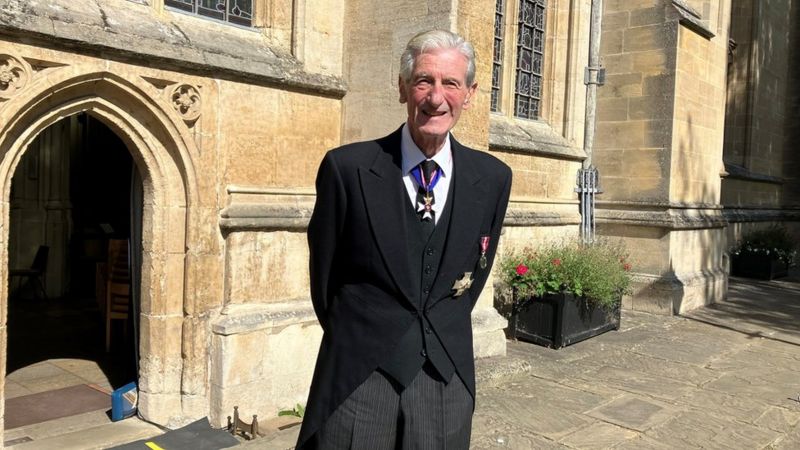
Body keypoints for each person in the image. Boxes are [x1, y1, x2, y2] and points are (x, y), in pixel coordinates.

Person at [296, 29, 512, 449]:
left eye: (450, 83)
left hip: (444, 378)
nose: (436, 97)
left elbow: (473, 277)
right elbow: (325, 281)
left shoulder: (493, 178)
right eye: (423, 81)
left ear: (469, 93)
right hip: (360, 377)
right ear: (402, 88)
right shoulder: (348, 170)